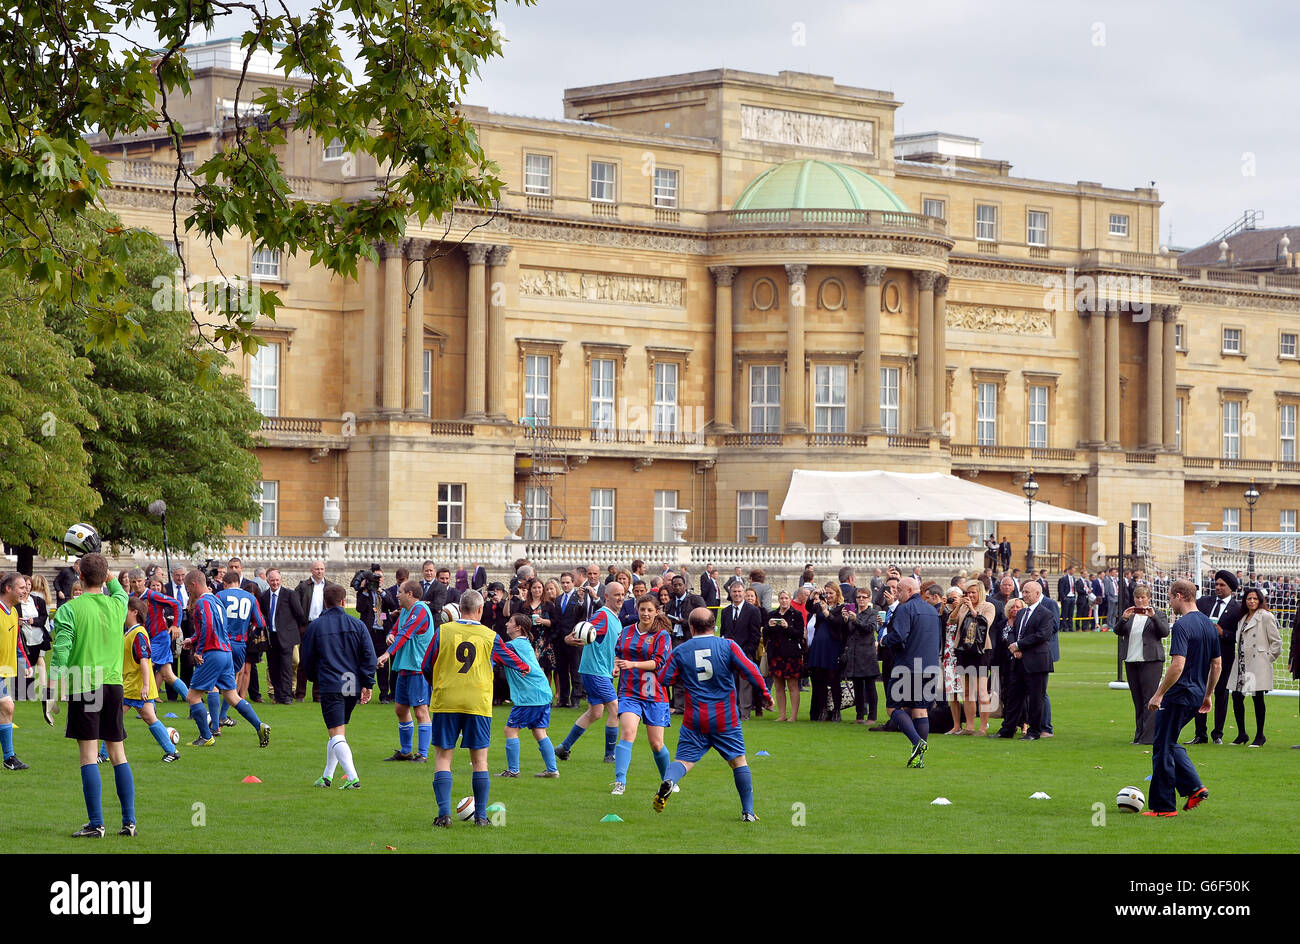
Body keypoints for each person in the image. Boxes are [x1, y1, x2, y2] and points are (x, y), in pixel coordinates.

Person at [421, 590, 529, 827]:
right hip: (477, 703)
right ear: (480, 610)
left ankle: (444, 815)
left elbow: (426, 665)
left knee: (443, 757)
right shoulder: (489, 636)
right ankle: (481, 817)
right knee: (480, 760)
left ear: (460, 608)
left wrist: (438, 684)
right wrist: (525, 666)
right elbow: (511, 659)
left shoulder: (443, 632)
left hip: (446, 700)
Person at [654, 607, 772, 821]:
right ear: (714, 625)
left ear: (691, 627)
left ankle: (670, 781)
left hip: (695, 719)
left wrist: (685, 674)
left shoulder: (681, 650)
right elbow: (751, 670)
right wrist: (764, 693)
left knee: (684, 761)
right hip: (725, 718)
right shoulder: (727, 645)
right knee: (738, 761)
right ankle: (748, 812)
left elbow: (663, 678)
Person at [49, 553, 135, 837]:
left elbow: (60, 651)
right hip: (113, 685)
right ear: (105, 576)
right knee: (117, 754)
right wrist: (107, 574)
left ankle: (96, 824)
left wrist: (51, 689)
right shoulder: (118, 605)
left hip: (85, 683)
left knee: (88, 757)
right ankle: (129, 822)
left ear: (79, 576)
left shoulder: (69, 610)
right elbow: (120, 590)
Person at [1145, 580, 1219, 816]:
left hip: (1179, 694)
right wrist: (1207, 694)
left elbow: (1178, 665)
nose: (1169, 602)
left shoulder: (1182, 625)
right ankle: (1193, 787)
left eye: (1170, 597)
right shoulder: (1208, 624)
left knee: (1162, 748)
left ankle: (1164, 807)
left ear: (1178, 596)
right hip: (1196, 693)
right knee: (1170, 740)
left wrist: (1159, 693)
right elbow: (1216, 664)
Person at [180, 569, 271, 749]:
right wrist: (193, 639)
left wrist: (199, 649)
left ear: (193, 585)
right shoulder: (216, 600)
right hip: (226, 652)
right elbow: (219, 627)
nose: (188, 593)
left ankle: (206, 736)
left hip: (212, 653)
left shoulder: (203, 602)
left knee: (192, 696)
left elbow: (208, 625)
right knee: (231, 696)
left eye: (188, 589)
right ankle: (259, 725)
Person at [303, 584, 376, 789]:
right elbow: (368, 655)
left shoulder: (316, 626)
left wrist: (313, 678)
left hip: (331, 681)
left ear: (325, 602)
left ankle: (353, 777)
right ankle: (327, 776)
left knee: (336, 733)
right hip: (350, 680)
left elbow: (307, 658)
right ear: (344, 601)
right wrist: (368, 682)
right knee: (338, 731)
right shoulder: (357, 624)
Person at [609, 590, 673, 796]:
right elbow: (618, 655)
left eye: (649, 610)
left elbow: (658, 662)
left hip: (656, 695)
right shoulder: (626, 631)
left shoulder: (662, 636)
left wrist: (632, 664)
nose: (645, 613)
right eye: (642, 609)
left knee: (656, 744)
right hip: (629, 692)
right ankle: (620, 782)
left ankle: (668, 779)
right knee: (627, 733)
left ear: (657, 612)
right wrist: (616, 666)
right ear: (637, 609)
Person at [554, 584, 623, 767]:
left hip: (602, 671)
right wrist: (569, 638)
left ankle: (563, 747)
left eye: (623, 594)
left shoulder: (616, 619)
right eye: (617, 594)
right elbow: (583, 631)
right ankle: (610, 755)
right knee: (615, 711)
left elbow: (609, 647)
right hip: (595, 671)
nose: (620, 598)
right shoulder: (603, 614)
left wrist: (614, 665)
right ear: (606, 596)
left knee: (595, 712)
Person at [880, 577, 942, 767]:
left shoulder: (905, 609)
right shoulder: (932, 610)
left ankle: (918, 743)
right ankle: (918, 759)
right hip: (930, 666)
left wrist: (882, 641)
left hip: (908, 666)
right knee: (920, 709)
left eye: (898, 590)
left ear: (908, 590)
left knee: (892, 708)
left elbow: (899, 636)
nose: (896, 593)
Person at [376, 580, 434, 762]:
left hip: (418, 667)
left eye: (400, 591)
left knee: (420, 710)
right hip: (404, 665)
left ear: (410, 594)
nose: (397, 594)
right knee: (401, 708)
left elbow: (406, 633)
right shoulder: (406, 612)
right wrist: (389, 636)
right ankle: (406, 751)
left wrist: (386, 654)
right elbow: (396, 631)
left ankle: (422, 754)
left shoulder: (420, 610)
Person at [497, 614, 559, 778]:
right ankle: (552, 770)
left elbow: (497, 652)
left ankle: (513, 770)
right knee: (540, 732)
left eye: (510, 622)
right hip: (543, 693)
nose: (507, 624)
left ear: (518, 628)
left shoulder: (513, 645)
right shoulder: (523, 643)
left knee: (510, 730)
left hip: (529, 697)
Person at [120, 597, 180, 762]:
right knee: (149, 717)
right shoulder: (130, 632)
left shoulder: (138, 633)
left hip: (134, 686)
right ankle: (172, 751)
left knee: (114, 718)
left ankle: (104, 754)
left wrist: (146, 685)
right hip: (134, 684)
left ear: (134, 612)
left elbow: (144, 662)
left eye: (125, 609)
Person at [993, 580, 1053, 741]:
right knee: (1013, 697)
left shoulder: (1045, 613)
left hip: (1037, 663)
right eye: (1023, 591)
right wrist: (1015, 647)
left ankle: (1034, 731)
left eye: (1027, 592)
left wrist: (1019, 646)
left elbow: (1042, 635)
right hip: (1018, 661)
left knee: (1035, 699)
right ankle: (1007, 729)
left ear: (1037, 594)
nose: (1024, 595)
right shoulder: (1021, 613)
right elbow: (1013, 631)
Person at [1189, 570, 1243, 745]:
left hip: (1224, 657)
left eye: (1222, 585)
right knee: (1199, 691)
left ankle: (1217, 734)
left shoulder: (1238, 608)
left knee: (1221, 693)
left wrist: (1223, 633)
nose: (1218, 587)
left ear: (1231, 589)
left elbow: (1240, 635)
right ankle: (1200, 734)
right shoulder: (1203, 602)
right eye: (1217, 584)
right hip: (1201, 655)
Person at [1227, 587, 1282, 747]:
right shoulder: (1242, 617)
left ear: (1260, 601)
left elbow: (1276, 642)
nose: (1252, 601)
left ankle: (1260, 735)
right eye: (1249, 599)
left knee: (1258, 698)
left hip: (1256, 664)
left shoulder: (1265, 616)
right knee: (1237, 697)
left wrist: (1266, 659)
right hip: (1241, 664)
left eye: (1255, 599)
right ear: (1245, 601)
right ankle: (1242, 734)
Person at [1115, 585, 1170, 746]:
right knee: (1137, 700)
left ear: (1149, 598)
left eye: (1143, 597)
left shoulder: (1158, 614)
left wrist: (1153, 617)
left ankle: (1148, 737)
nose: (1140, 600)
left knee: (1149, 699)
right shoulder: (1130, 615)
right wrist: (1123, 618)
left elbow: (1164, 632)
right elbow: (1118, 631)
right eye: (1137, 597)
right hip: (1132, 660)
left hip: (1151, 661)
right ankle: (1139, 735)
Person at [213, 569, 266, 730]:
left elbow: (213, 619)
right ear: (239, 582)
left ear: (225, 583)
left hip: (222, 644)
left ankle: (215, 726)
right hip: (239, 645)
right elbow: (261, 623)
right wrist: (250, 632)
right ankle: (223, 716)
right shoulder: (250, 597)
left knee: (214, 683)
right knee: (232, 680)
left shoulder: (220, 596)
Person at [949, 580, 995, 735]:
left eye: (973, 592)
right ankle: (969, 726)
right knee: (967, 691)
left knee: (982, 691)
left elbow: (986, 623)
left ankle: (983, 727)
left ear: (980, 592)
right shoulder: (963, 606)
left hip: (981, 652)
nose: (970, 596)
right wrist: (959, 606)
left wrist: (972, 610)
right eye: (968, 593)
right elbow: (951, 620)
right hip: (963, 650)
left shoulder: (988, 606)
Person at [0, 573, 34, 770]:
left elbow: (17, 644)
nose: (25, 590)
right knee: (8, 707)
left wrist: (26, 664)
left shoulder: (12, 613)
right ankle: (9, 757)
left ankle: (9, 758)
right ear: (8, 589)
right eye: (21, 587)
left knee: (6, 710)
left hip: (3, 672)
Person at [260, 569, 305, 706]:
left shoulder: (289, 594)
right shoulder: (264, 596)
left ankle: (286, 696)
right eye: (272, 580)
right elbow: (263, 613)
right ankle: (278, 695)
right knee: (273, 667)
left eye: (277, 580)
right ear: (268, 581)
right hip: (271, 636)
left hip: (287, 637)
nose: (275, 583)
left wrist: (290, 629)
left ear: (281, 580)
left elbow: (300, 614)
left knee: (286, 667)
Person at [720, 581, 763, 720]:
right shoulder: (725, 611)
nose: (737, 594)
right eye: (734, 592)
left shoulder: (753, 611)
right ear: (730, 593)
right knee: (730, 683)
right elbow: (723, 633)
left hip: (746, 653)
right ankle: (732, 712)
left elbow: (755, 635)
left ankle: (744, 713)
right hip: (728, 655)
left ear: (744, 593)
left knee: (745, 685)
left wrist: (745, 652)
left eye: (739, 591)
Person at [806, 582, 847, 722]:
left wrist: (826, 612)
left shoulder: (842, 608)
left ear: (837, 594)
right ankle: (822, 709)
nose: (828, 596)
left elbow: (837, 623)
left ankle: (836, 710)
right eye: (827, 593)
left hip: (833, 646)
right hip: (819, 646)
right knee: (820, 680)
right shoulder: (820, 605)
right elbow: (809, 607)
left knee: (834, 679)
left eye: (831, 593)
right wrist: (813, 594)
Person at [763, 591, 805, 722]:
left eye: (786, 598)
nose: (784, 601)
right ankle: (782, 715)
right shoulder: (772, 615)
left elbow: (799, 634)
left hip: (791, 654)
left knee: (793, 685)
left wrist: (788, 627)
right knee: (778, 685)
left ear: (790, 599)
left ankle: (793, 715)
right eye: (781, 598)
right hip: (775, 654)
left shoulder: (796, 615)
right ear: (779, 600)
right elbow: (766, 634)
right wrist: (769, 626)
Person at [843, 588, 881, 724]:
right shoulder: (853, 613)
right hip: (854, 654)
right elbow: (849, 632)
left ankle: (872, 716)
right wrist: (847, 620)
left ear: (869, 598)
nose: (861, 599)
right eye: (859, 597)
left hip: (867, 654)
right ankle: (859, 716)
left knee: (870, 687)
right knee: (857, 687)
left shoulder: (873, 613)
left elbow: (870, 628)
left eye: (864, 597)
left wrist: (855, 620)